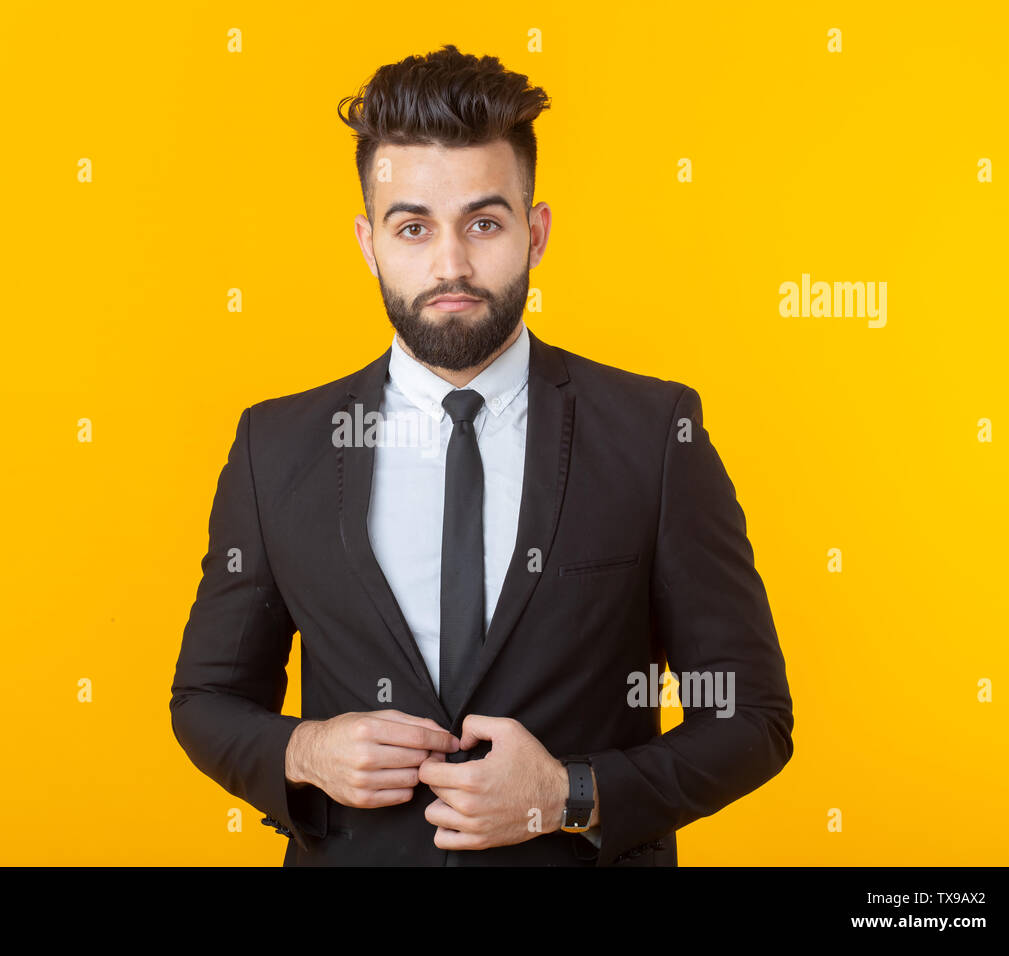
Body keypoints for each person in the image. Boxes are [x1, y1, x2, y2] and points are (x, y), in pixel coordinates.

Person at [170, 44, 793, 866]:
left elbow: (753, 719)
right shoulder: (275, 444)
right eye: (414, 227)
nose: (451, 265)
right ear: (368, 241)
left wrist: (572, 795)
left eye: (485, 223)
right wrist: (305, 752)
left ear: (535, 233)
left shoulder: (654, 435)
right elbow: (208, 699)